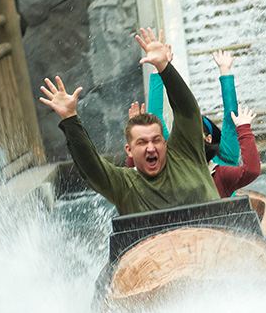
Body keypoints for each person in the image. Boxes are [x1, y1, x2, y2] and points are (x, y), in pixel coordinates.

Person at [38, 28, 219, 215]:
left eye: (156, 140)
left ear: (165, 143)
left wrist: (165, 68)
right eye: (142, 142)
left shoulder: (187, 153)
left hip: (213, 238)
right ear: (129, 150)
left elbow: (187, 111)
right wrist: (70, 119)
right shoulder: (124, 185)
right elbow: (91, 167)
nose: (151, 147)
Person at [132, 49, 241, 166]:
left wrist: (225, 71)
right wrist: (157, 69)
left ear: (208, 139)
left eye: (194, 135)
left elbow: (231, 116)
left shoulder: (226, 157)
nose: (189, 139)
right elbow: (155, 119)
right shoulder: (176, 157)